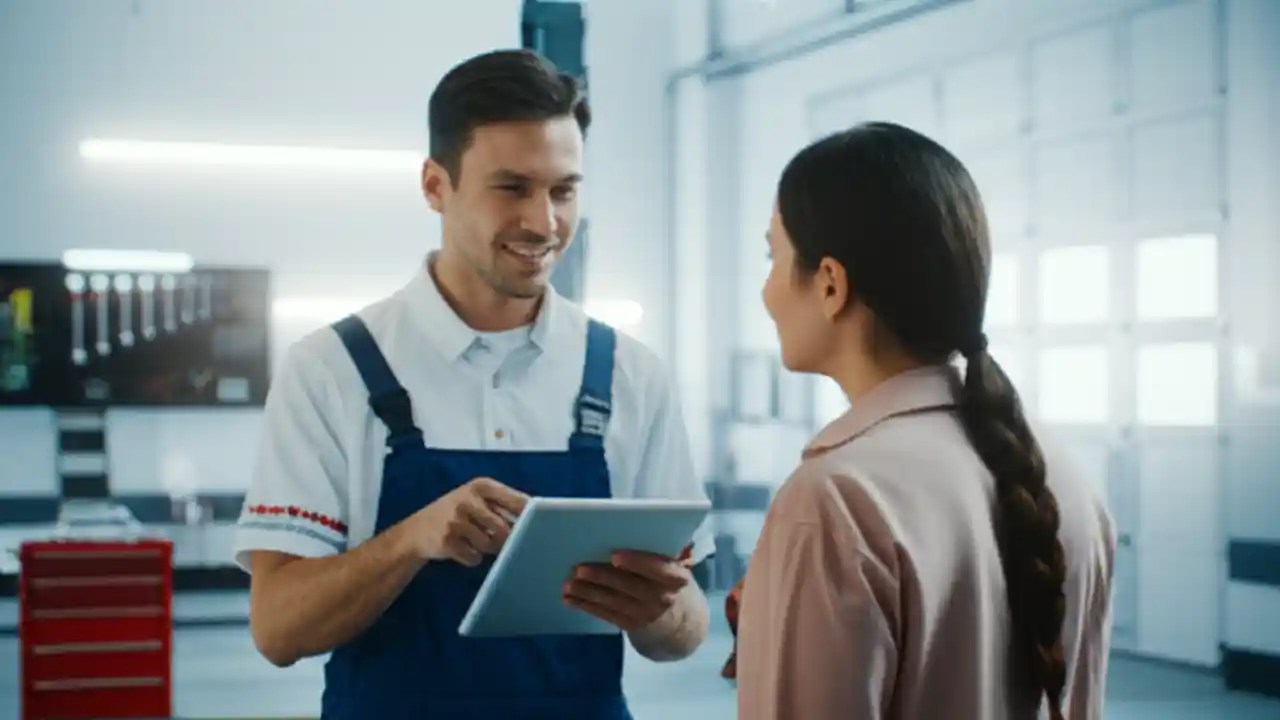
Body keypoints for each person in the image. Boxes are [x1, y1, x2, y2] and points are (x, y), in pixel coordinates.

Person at [233, 49, 713, 719]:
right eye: (512, 187)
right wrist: (410, 540)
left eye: (564, 190)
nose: (544, 222)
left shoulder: (630, 374)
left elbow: (686, 632)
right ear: (435, 185)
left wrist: (656, 612)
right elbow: (277, 629)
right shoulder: (330, 370)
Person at [734, 122, 1115, 719]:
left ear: (830, 284)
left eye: (773, 256)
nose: (765, 290)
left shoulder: (837, 499)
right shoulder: (1061, 474)